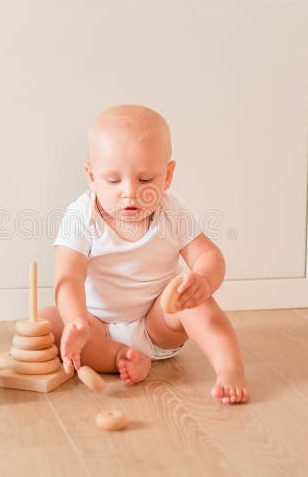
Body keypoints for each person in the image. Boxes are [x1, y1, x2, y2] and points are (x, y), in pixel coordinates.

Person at [39, 104, 250, 404]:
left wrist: (203, 280)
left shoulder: (171, 212)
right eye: (113, 181)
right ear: (91, 175)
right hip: (96, 327)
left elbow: (209, 256)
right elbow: (68, 275)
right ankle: (120, 357)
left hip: (158, 326)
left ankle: (229, 367)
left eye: (145, 180)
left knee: (194, 300)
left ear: (167, 175)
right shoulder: (80, 217)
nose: (129, 192)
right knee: (46, 321)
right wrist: (75, 320)